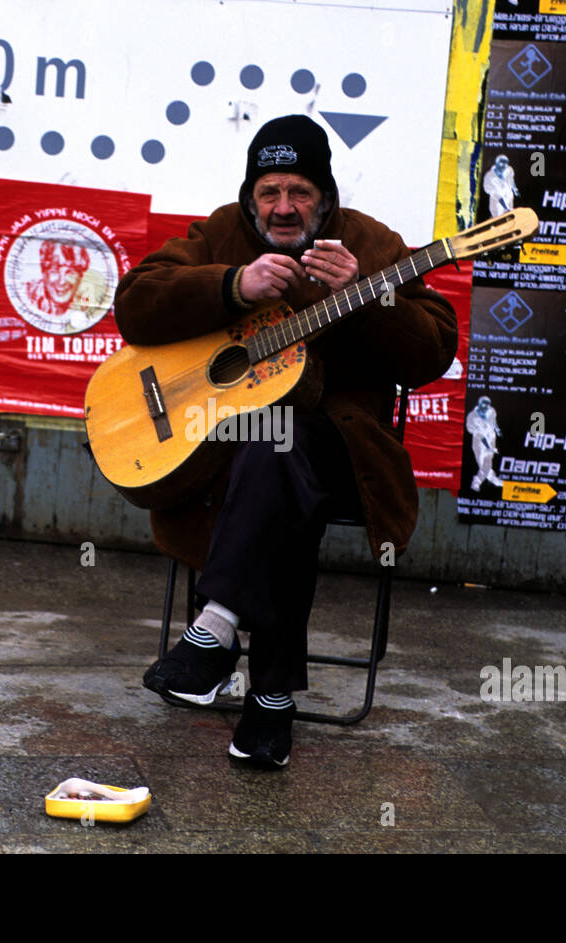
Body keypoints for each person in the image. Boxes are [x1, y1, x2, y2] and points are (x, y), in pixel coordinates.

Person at [113, 115, 458, 769]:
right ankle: (269, 702)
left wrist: (365, 295)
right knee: (275, 458)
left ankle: (214, 630)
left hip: (345, 444)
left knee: (284, 444)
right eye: (269, 191)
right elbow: (135, 301)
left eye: (299, 190)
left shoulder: (370, 244)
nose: (284, 206)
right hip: (233, 446)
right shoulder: (221, 232)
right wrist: (229, 285)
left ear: (324, 195)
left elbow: (434, 350)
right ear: (251, 196)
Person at [26, 240, 91, 321]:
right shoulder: (27, 296)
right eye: (54, 271)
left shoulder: (88, 301)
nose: (62, 281)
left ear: (80, 277)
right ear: (44, 273)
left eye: (70, 272)